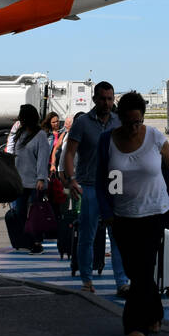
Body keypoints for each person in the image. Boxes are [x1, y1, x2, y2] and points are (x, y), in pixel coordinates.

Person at [95, 91, 169, 336]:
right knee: (133, 268)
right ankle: (155, 312)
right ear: (120, 118)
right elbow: (102, 179)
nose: (133, 126)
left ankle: (133, 323)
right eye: (129, 121)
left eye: (138, 121)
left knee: (143, 268)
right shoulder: (107, 140)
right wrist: (107, 209)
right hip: (122, 215)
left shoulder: (155, 137)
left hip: (153, 212)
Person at [62, 83, 121, 294]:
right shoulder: (82, 123)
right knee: (87, 235)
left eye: (110, 99)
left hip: (114, 185)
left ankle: (121, 282)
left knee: (117, 237)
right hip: (88, 185)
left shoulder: (118, 121)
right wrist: (71, 179)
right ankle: (86, 279)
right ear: (94, 99)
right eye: (103, 99)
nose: (107, 103)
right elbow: (69, 153)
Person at [10, 103, 51, 253]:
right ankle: (25, 241)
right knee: (20, 213)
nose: (20, 119)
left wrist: (41, 178)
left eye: (22, 116)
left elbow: (42, 158)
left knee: (35, 215)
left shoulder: (40, 136)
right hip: (19, 181)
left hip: (34, 182)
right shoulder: (20, 133)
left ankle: (36, 243)